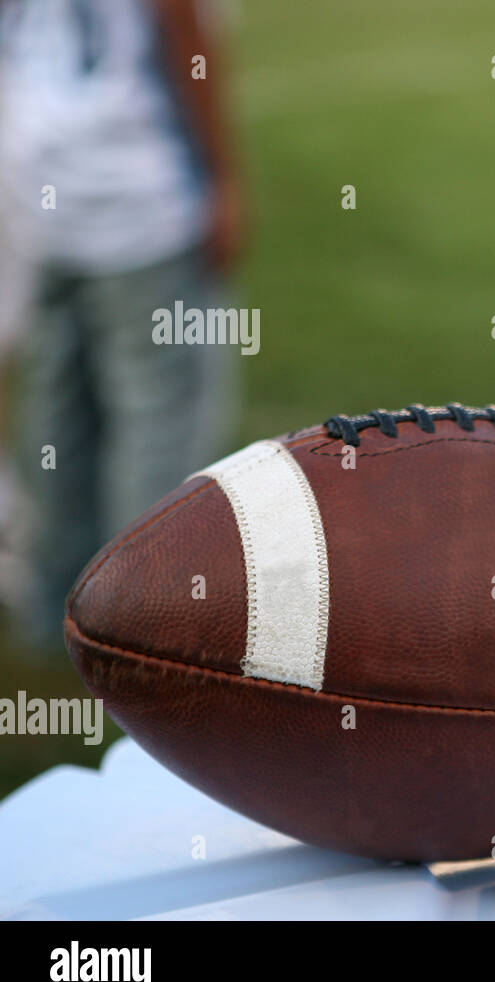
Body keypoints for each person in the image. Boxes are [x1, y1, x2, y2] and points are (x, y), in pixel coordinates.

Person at [0, 0, 244, 652]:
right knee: (159, 423)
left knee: (58, 413)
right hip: (138, 201)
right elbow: (185, 27)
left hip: (41, 192)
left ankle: (54, 606)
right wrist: (224, 177)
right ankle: (142, 629)